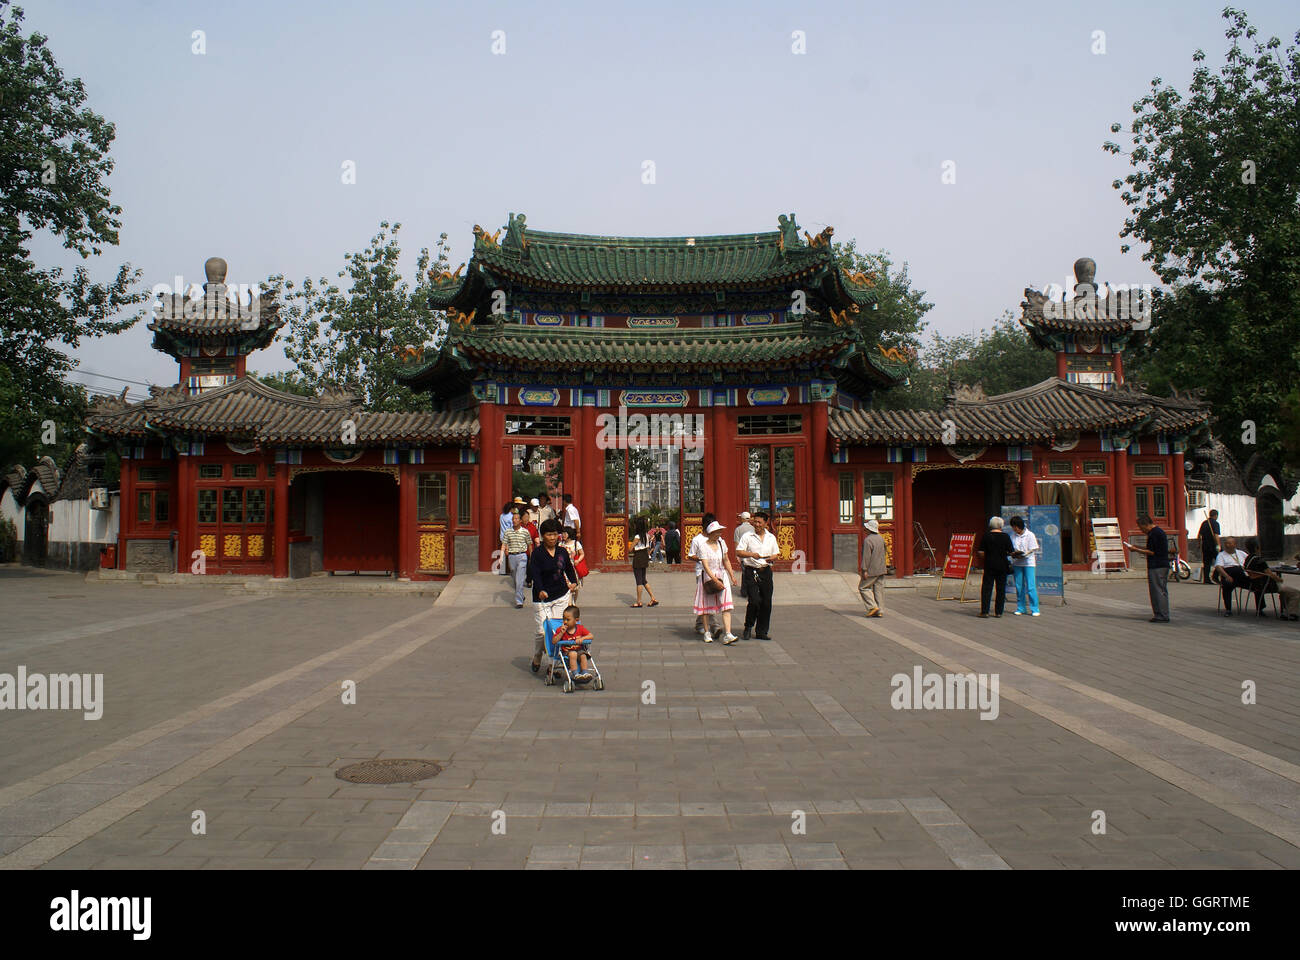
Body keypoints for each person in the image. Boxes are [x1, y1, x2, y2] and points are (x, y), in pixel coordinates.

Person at [526, 519, 579, 673]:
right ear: (543, 536)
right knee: (542, 632)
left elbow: (569, 569)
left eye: (555, 534)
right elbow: (535, 574)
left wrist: (573, 582)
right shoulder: (537, 554)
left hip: (561, 595)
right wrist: (541, 589)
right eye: (549, 535)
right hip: (542, 598)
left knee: (558, 631)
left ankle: (552, 665)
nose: (553, 538)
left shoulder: (562, 552)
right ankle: (538, 654)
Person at [736, 510, 780, 640]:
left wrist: (772, 558)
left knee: (766, 602)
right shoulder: (747, 536)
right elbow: (739, 552)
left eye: (759, 522)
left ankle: (762, 631)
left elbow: (776, 554)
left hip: (765, 571)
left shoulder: (771, 537)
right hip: (751, 571)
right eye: (755, 522)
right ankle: (748, 626)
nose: (757, 524)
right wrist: (751, 554)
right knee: (754, 601)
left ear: (766, 523)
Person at [695, 520, 740, 643]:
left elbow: (726, 559)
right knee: (706, 606)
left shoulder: (721, 543)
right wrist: (715, 580)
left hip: (722, 575)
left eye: (720, 531)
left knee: (726, 605)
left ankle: (728, 633)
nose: (719, 534)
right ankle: (707, 632)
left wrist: (731, 575)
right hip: (708, 577)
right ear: (710, 533)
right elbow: (705, 566)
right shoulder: (703, 546)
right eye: (716, 532)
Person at [1126, 514, 1170, 622]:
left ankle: (1162, 615)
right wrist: (1137, 547)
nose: (1141, 530)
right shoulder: (1155, 532)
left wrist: (1136, 550)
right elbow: (1150, 548)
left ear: (1145, 524)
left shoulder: (1155, 533)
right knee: (1156, 590)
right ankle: (1159, 614)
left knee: (1158, 590)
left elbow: (1152, 552)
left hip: (1158, 565)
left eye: (1141, 527)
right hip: (1157, 565)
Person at [1242, 537, 1296, 619]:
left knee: (1285, 591)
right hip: (1267, 585)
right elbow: (1270, 574)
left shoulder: (1247, 559)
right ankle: (1291, 613)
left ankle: (1286, 611)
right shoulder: (1260, 560)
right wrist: (1279, 579)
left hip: (1255, 584)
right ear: (1257, 548)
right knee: (1295, 593)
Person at [689, 512, 722, 638]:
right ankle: (715, 625)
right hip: (702, 573)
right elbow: (691, 555)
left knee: (709, 599)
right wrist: (701, 559)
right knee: (707, 598)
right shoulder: (697, 540)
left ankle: (700, 624)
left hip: (717, 572)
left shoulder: (718, 539)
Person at [977, 516, 1014, 618]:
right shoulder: (1006, 536)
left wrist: (987, 557)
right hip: (1002, 565)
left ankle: (985, 611)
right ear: (1001, 525)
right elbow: (1011, 552)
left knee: (987, 588)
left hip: (989, 565)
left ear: (991, 525)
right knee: (1001, 589)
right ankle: (998, 612)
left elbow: (981, 552)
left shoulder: (986, 536)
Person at [1007, 515, 1041, 617]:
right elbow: (1011, 549)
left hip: (1028, 563)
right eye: (1013, 527)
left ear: (1019, 526)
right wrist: (1014, 554)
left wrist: (1025, 554)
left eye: (1015, 526)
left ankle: (1035, 608)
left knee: (1031, 586)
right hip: (1017, 563)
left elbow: (1033, 548)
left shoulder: (1030, 535)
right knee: (1019, 586)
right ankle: (1021, 608)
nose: (1014, 529)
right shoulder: (1012, 536)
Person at [554, 604, 595, 682]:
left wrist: (583, 638)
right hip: (567, 652)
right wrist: (561, 633)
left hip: (579, 650)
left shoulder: (580, 628)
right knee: (573, 654)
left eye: (568, 619)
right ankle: (575, 673)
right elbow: (554, 641)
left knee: (583, 655)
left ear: (576, 620)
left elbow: (591, 636)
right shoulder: (560, 630)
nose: (565, 622)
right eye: (564, 619)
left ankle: (584, 673)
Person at [1211, 536, 1250, 616]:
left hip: (1242, 576)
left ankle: (1260, 609)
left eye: (1229, 543)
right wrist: (1227, 576)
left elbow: (1249, 562)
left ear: (1235, 544)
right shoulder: (1221, 555)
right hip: (1229, 575)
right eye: (1226, 543)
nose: (1227, 545)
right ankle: (1228, 609)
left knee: (1257, 583)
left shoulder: (1241, 553)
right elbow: (1218, 567)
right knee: (1226, 586)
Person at [502, 511, 533, 608]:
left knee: (520, 579)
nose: (514, 520)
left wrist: (531, 557)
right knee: (515, 578)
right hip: (512, 556)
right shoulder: (508, 532)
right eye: (513, 519)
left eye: (516, 519)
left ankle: (519, 601)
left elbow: (529, 544)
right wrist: (504, 552)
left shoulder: (525, 532)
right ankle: (521, 595)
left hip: (522, 555)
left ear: (520, 521)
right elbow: (505, 543)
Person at [858, 518, 887, 617]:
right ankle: (880, 610)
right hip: (881, 567)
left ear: (869, 529)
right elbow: (885, 552)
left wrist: (864, 570)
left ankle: (872, 607)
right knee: (878, 589)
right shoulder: (880, 538)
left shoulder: (868, 540)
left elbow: (866, 556)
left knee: (863, 588)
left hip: (872, 569)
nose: (865, 529)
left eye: (866, 528)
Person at [628, 517, 659, 608]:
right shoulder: (646, 535)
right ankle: (653, 598)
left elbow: (630, 549)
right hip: (644, 556)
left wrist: (633, 547)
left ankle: (639, 601)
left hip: (638, 557)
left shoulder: (637, 537)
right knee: (643, 580)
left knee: (639, 581)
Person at [1196, 509, 1221, 585]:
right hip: (1213, 546)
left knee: (1207, 563)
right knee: (1220, 560)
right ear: (1216, 515)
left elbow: (1199, 535)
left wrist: (1199, 544)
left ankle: (1206, 579)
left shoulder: (1204, 523)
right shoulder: (1215, 523)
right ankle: (1215, 576)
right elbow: (1216, 535)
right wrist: (1218, 545)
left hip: (1205, 546)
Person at [563, 525, 585, 591]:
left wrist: (578, 560)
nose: (563, 535)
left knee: (574, 587)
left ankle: (574, 598)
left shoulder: (576, 543)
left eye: (565, 533)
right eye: (562, 533)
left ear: (569, 534)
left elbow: (582, 554)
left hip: (573, 567)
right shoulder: (560, 544)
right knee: (566, 587)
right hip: (563, 568)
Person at [499, 501, 517, 576]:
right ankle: (511, 570)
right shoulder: (511, 517)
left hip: (502, 536)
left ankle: (502, 571)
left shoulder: (502, 515)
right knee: (511, 554)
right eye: (514, 508)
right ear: (511, 509)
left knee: (503, 553)